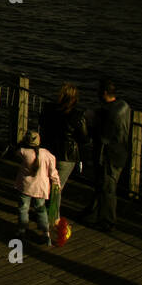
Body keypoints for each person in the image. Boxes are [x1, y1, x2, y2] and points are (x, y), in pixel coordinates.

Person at [82, 79, 131, 232]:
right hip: (120, 153)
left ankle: (107, 221)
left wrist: (90, 123)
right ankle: (93, 212)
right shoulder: (124, 107)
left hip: (109, 156)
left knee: (108, 188)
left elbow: (101, 135)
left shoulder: (107, 114)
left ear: (103, 93)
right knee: (103, 186)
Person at [38, 83, 90, 227]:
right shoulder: (77, 116)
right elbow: (84, 138)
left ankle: (43, 212)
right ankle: (52, 217)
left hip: (49, 151)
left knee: (47, 183)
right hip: (66, 156)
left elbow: (42, 124)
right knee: (57, 188)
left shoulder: (49, 110)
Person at [15, 130, 61, 246]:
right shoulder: (47, 154)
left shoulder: (22, 152)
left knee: (23, 209)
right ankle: (46, 233)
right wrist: (57, 183)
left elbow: (17, 151)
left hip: (25, 186)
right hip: (40, 187)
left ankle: (21, 231)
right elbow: (53, 173)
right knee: (41, 210)